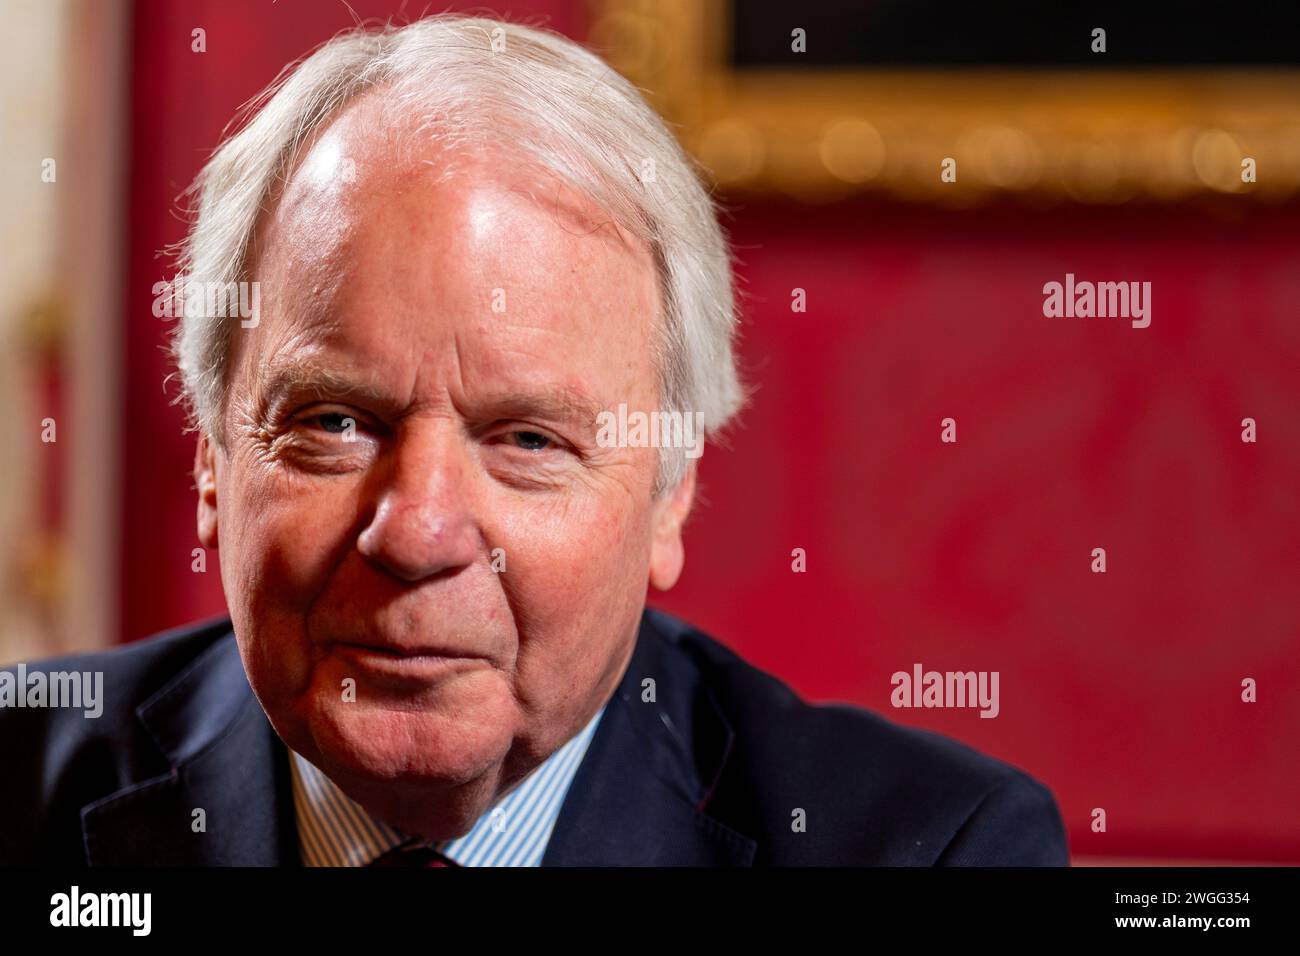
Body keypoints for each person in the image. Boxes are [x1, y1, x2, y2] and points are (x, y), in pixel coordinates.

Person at [0, 15, 1067, 866]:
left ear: (670, 493)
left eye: (527, 439)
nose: (416, 531)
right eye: (334, 422)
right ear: (210, 458)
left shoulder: (927, 847)